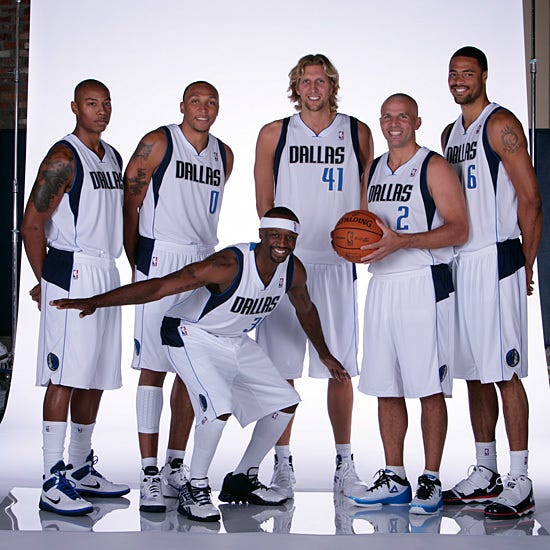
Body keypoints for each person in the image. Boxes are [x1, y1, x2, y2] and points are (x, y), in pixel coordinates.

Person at [53, 207, 348, 523]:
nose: (282, 243)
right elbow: (159, 287)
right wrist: (96, 301)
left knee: (285, 401)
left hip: (232, 339)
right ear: (262, 234)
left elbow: (306, 309)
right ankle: (195, 488)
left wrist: (324, 353)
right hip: (189, 334)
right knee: (217, 407)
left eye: (289, 238)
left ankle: (243, 478)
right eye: (275, 235)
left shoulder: (293, 270)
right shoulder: (228, 265)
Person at [254, 53, 373, 498]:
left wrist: (362, 243)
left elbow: (367, 197)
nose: (313, 88)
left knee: (338, 367)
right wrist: (274, 254)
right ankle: (282, 466)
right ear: (296, 87)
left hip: (338, 263)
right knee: (280, 371)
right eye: (305, 81)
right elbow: (264, 205)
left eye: (320, 81)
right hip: (289, 263)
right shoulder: (275, 133)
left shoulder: (357, 131)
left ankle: (344, 464)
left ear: (332, 85)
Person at [345, 94, 468, 515]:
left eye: (402, 116)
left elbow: (460, 229)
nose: (394, 123)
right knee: (386, 385)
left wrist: (404, 241)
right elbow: (365, 225)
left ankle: (430, 479)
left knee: (428, 386)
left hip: (423, 283)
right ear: (381, 122)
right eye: (387, 117)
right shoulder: (374, 168)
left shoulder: (434, 166)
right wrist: (353, 245)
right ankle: (394, 477)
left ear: (416, 121)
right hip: (383, 285)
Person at [20, 79, 130, 516]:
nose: (100, 110)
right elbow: (31, 225)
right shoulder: (63, 157)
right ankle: (52, 479)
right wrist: (45, 280)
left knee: (94, 374)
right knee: (63, 376)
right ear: (74, 108)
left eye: (106, 103)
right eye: (91, 103)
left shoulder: (112, 156)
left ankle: (81, 467)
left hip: (105, 271)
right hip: (72, 270)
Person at [123, 81, 233, 512]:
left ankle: (174, 466)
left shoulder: (224, 154)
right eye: (196, 102)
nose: (203, 109)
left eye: (211, 103)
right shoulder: (158, 142)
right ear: (182, 106)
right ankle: (148, 472)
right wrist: (137, 259)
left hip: (202, 263)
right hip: (160, 257)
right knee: (154, 367)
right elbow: (129, 202)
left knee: (191, 368)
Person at [441, 46, 542, 519]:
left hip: (497, 258)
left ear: (484, 75)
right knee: (476, 372)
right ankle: (486, 471)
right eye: (453, 73)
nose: (459, 80)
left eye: (468, 73)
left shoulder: (501, 124)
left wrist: (525, 262)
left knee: (505, 372)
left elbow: (531, 198)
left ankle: (521, 479)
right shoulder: (449, 134)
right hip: (462, 261)